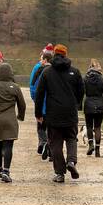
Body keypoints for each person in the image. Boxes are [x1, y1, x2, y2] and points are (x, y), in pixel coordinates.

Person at [33, 43, 84, 182]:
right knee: (71, 138)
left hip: (53, 113)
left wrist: (38, 114)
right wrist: (76, 105)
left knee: (55, 143)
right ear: (66, 55)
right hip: (70, 112)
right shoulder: (75, 71)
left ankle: (60, 173)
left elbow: (40, 94)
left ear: (54, 54)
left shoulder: (47, 72)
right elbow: (81, 91)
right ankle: (71, 162)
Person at [0, 61, 26, 182]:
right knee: (8, 146)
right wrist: (20, 116)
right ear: (10, 74)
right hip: (10, 120)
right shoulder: (15, 87)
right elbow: (22, 104)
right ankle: (6, 170)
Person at [82, 59, 103, 156]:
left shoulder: (85, 79)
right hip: (100, 105)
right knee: (97, 127)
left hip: (88, 105)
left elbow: (81, 93)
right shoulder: (102, 79)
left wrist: (78, 106)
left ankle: (91, 144)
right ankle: (97, 150)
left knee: (89, 126)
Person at [28, 45, 54, 161]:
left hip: (41, 101)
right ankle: (50, 146)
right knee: (52, 126)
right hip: (53, 103)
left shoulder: (37, 68)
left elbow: (32, 85)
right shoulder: (55, 69)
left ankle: (43, 143)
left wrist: (34, 99)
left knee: (41, 123)